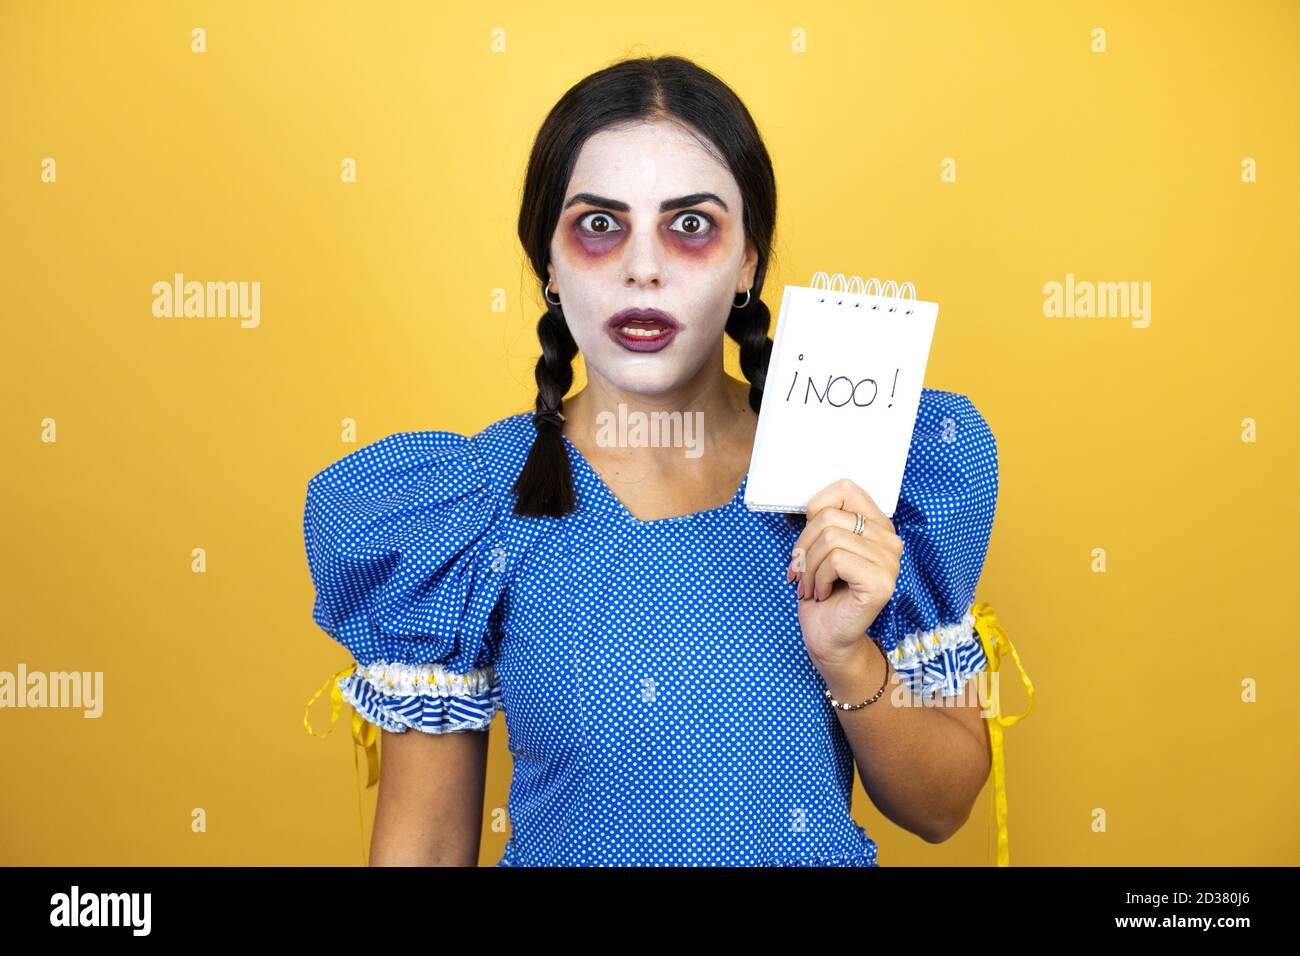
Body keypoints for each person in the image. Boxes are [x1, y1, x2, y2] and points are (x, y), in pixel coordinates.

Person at [302, 54, 1008, 867]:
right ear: (549, 266)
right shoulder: (469, 507)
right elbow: (423, 849)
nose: (644, 266)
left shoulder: (857, 469)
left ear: (749, 260)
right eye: (600, 225)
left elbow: (943, 808)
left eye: (692, 224)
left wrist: (847, 653)